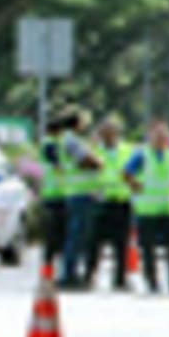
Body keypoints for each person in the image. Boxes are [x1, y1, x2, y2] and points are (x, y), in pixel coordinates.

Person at [124, 120, 169, 294]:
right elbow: (126, 173)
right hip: (147, 208)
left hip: (167, 207)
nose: (160, 138)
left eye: (163, 135)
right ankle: (152, 281)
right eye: (157, 135)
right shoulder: (142, 154)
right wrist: (136, 186)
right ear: (149, 136)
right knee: (148, 247)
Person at [85, 116, 134, 290]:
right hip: (101, 201)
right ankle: (89, 276)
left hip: (121, 201)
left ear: (117, 133)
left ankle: (120, 279)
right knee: (94, 242)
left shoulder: (127, 150)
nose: (107, 135)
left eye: (110, 131)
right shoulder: (95, 151)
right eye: (104, 132)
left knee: (121, 244)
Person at [58, 107, 102, 289]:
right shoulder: (71, 140)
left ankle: (72, 272)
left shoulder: (72, 139)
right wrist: (98, 161)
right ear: (76, 123)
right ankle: (69, 274)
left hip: (81, 193)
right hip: (79, 194)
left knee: (79, 236)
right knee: (77, 236)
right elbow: (86, 162)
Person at [39, 116, 68, 271]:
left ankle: (52, 262)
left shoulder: (55, 143)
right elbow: (57, 165)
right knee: (54, 232)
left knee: (59, 231)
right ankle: (48, 263)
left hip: (59, 194)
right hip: (53, 194)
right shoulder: (50, 144)